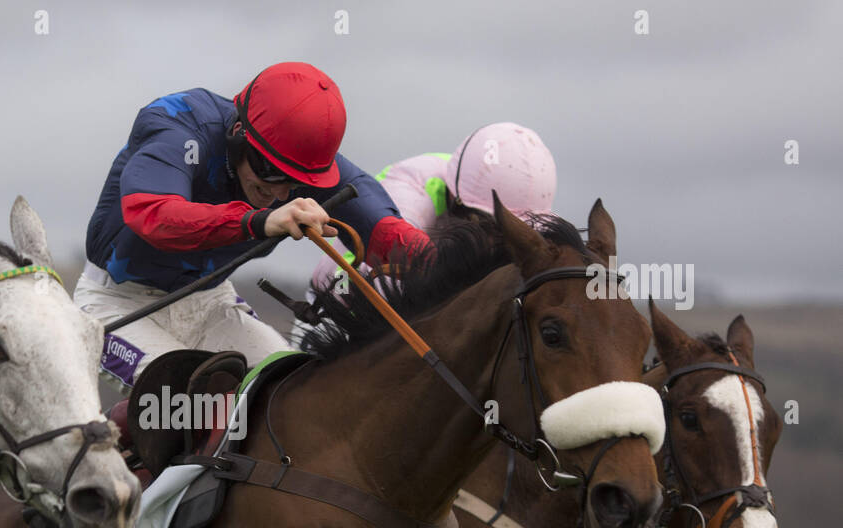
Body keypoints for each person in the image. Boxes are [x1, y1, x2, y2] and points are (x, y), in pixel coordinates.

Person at [77, 62, 433, 392]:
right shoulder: (179, 126)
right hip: (117, 303)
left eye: (294, 182)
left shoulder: (310, 162)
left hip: (210, 304)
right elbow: (153, 215)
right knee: (193, 403)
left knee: (296, 395)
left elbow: (393, 237)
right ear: (237, 133)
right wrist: (257, 221)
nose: (279, 191)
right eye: (271, 171)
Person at [297, 122, 556, 343]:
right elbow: (386, 285)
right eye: (490, 226)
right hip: (337, 312)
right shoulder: (409, 192)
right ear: (457, 199)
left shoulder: (479, 183)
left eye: (508, 231)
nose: (496, 244)